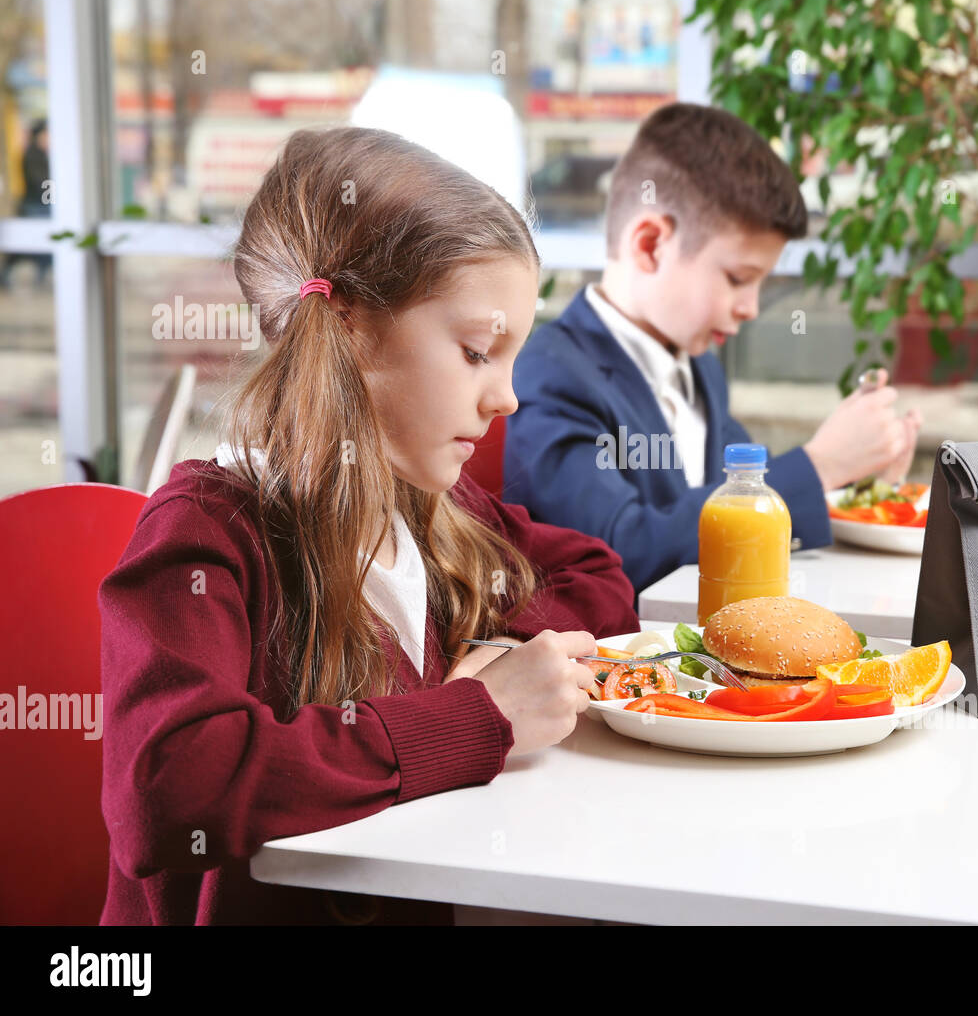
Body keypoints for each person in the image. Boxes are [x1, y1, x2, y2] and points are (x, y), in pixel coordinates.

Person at [97, 126, 640, 926]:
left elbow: (598, 578)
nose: (508, 398)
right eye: (478, 352)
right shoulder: (206, 536)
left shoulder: (425, 509)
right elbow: (168, 784)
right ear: (349, 328)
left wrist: (489, 659)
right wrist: (473, 718)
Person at [503, 103, 921, 595]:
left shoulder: (700, 367)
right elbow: (618, 552)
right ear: (651, 245)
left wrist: (856, 477)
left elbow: (742, 493)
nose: (751, 307)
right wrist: (822, 464)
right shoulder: (549, 377)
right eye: (739, 278)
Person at [1, 118, 52, 288]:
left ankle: (42, 276)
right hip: (35, 206)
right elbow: (40, 182)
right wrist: (51, 196)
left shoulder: (43, 154)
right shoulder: (32, 155)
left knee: (42, 244)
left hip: (41, 205)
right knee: (33, 243)